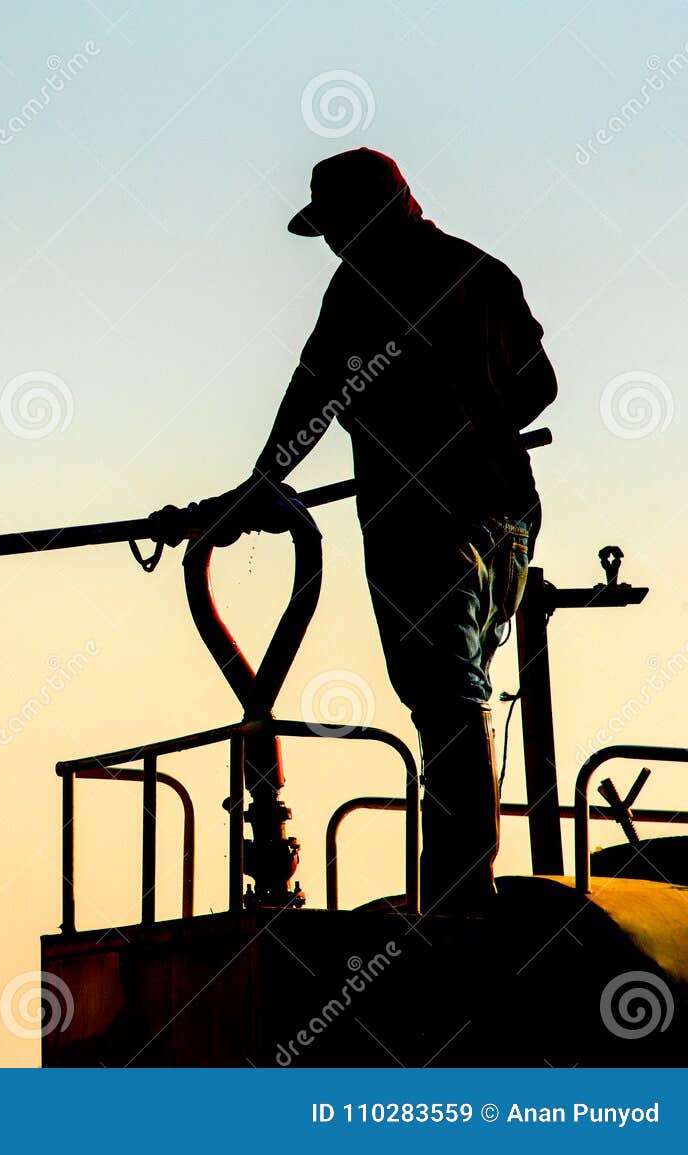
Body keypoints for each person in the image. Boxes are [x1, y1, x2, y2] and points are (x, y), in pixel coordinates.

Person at [220, 148, 557, 914]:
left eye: (338, 225)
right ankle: (463, 889)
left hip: (423, 518)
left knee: (444, 694)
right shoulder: (483, 270)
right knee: (461, 685)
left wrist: (265, 483)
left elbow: (317, 392)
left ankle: (459, 904)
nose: (335, 244)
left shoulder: (365, 281)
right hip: (507, 514)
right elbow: (540, 385)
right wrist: (478, 421)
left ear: (374, 214)